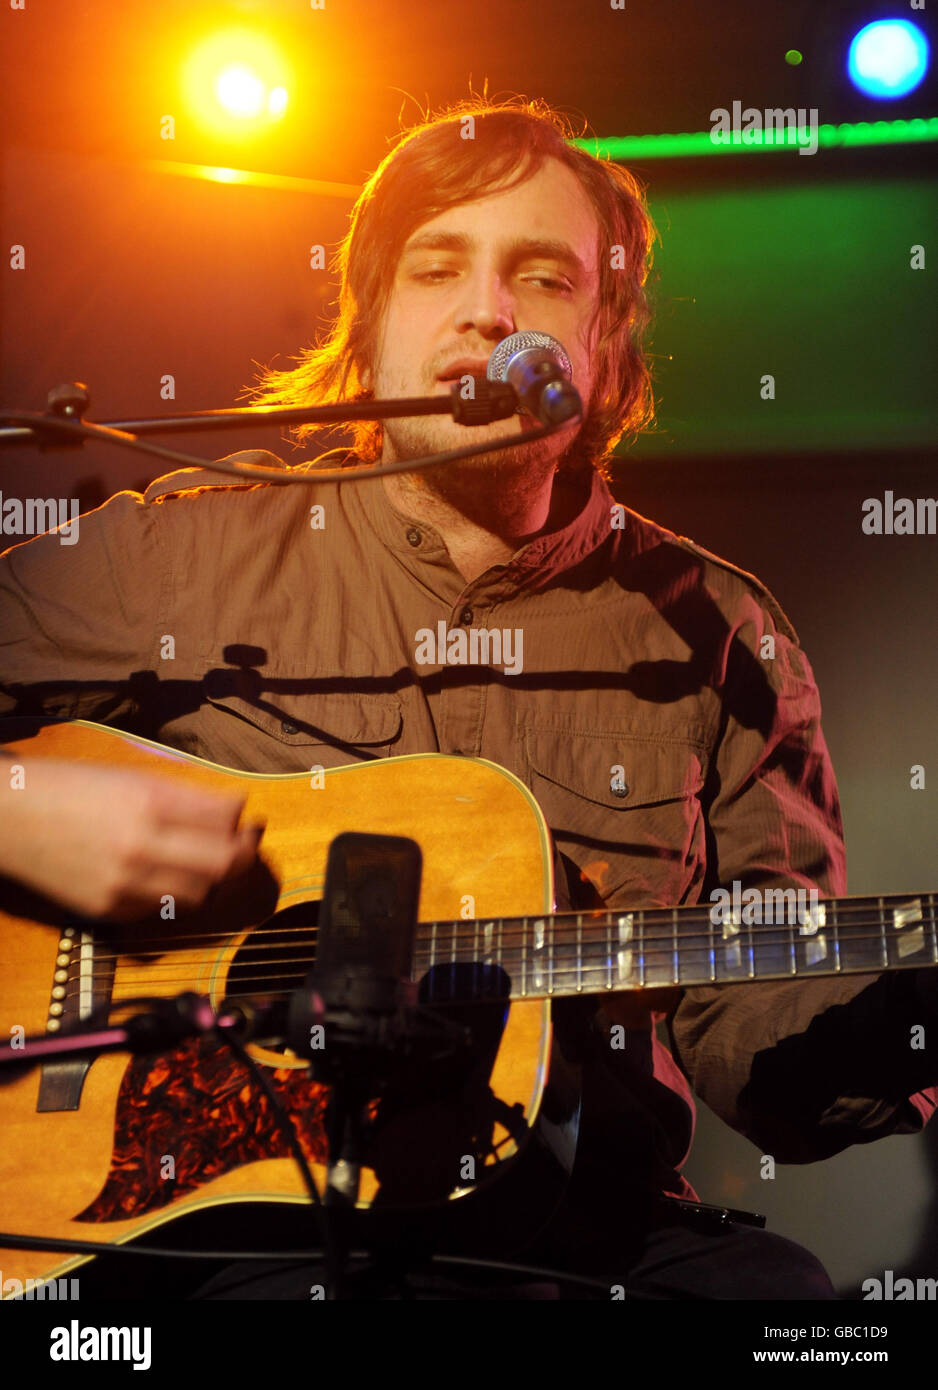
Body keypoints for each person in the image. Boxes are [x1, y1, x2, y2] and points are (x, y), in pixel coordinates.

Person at [1, 98, 936, 1300]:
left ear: (606, 349)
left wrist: (905, 1013)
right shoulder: (174, 555)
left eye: (542, 279)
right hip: (221, 1222)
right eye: (437, 267)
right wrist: (26, 808)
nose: (487, 310)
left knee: (798, 1315)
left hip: (578, 1219)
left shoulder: (722, 632)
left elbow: (757, 1054)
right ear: (371, 324)